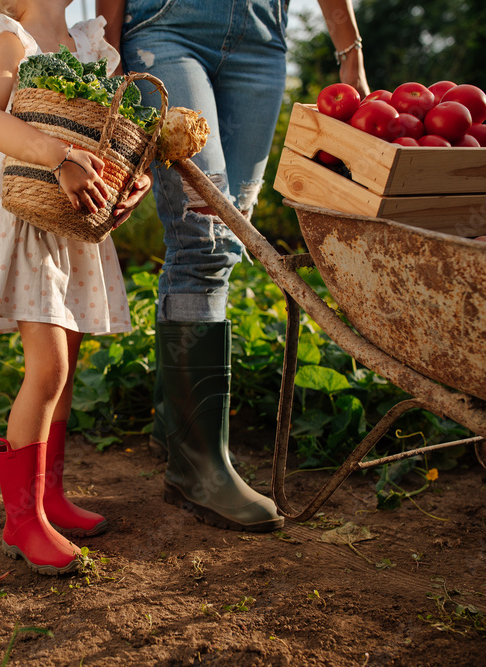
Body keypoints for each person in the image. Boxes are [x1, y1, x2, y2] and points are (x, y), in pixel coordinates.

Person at [96, 0, 370, 532]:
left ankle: (175, 425)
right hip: (166, 27)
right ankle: (197, 468)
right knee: (203, 237)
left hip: (262, 40)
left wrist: (350, 51)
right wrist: (107, 49)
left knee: (231, 233)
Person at [0, 0, 152, 575]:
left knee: (66, 358)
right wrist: (60, 155)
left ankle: (47, 498)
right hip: (25, 219)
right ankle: (20, 522)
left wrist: (131, 173)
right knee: (47, 369)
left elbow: (116, 127)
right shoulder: (12, 39)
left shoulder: (87, 45)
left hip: (72, 220)